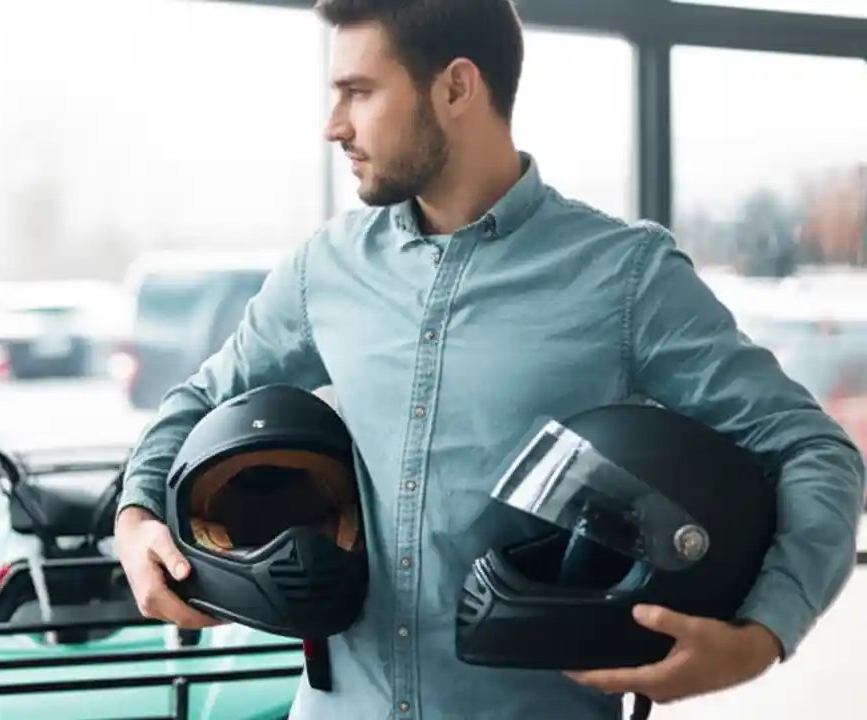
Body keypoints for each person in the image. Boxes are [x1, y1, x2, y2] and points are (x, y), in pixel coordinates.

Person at [113, 1, 866, 718]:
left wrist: (762, 636)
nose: (332, 126)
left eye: (359, 92)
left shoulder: (623, 275)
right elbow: (197, 403)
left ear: (457, 87)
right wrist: (138, 517)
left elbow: (813, 449)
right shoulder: (325, 270)